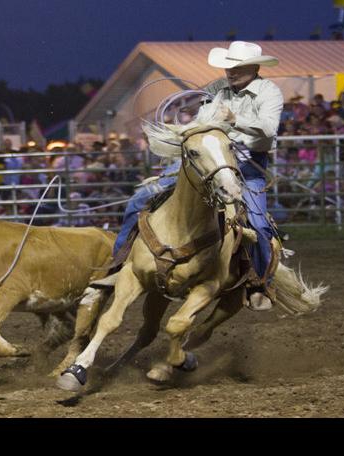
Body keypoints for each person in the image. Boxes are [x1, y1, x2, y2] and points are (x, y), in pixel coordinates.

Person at [112, 40, 283, 311]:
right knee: (140, 198)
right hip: (208, 158)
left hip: (247, 163)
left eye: (237, 67)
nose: (230, 71)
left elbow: (269, 129)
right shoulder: (215, 88)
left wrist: (235, 119)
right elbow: (203, 123)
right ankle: (119, 263)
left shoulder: (269, 92)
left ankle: (259, 282)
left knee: (259, 225)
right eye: (229, 66)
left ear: (255, 67)